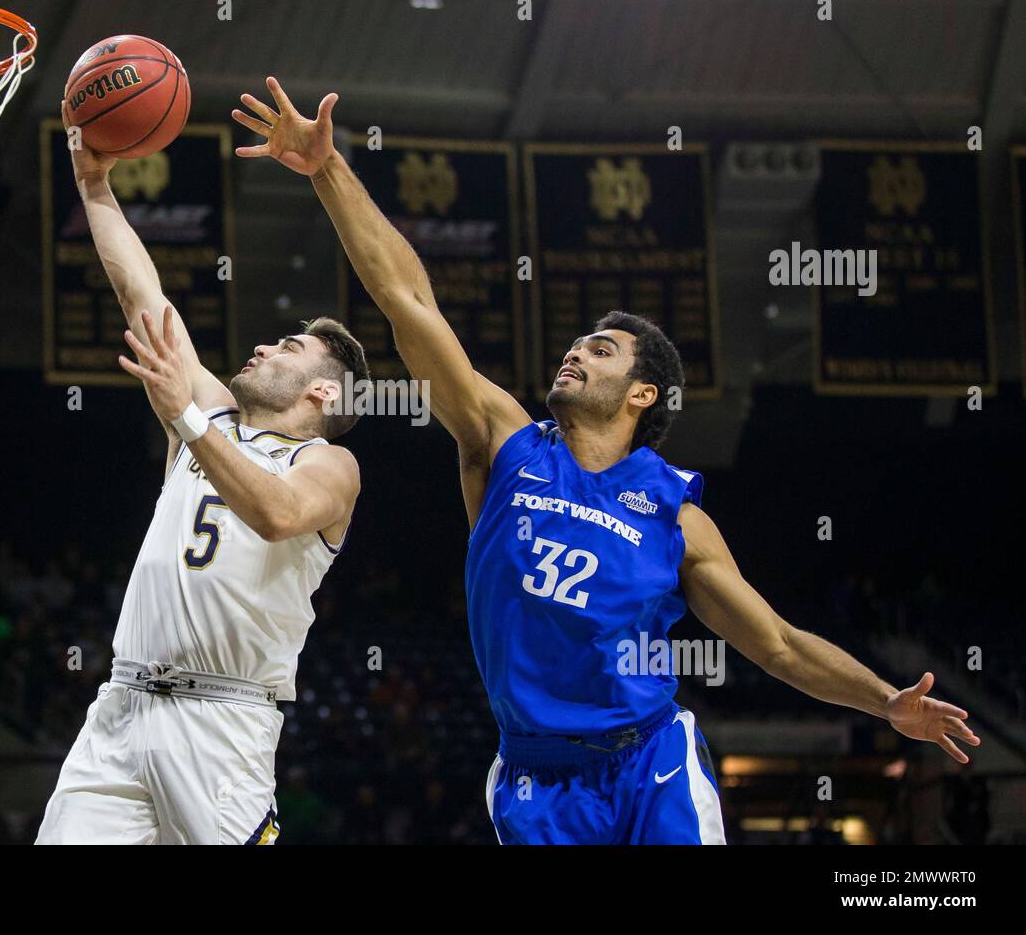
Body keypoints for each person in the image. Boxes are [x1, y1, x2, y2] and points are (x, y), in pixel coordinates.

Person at [232, 76, 981, 844]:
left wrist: (886, 700)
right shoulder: (504, 445)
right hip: (534, 778)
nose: (573, 353)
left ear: (642, 394)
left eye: (601, 350)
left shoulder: (678, 518)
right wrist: (328, 168)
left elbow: (779, 645)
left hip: (650, 764)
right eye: (577, 343)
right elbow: (407, 300)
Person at [36, 102, 368, 845]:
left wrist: (184, 422)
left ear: (325, 391)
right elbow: (143, 298)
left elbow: (279, 514)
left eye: (289, 347)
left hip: (221, 724)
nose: (263, 348)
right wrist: (95, 188)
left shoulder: (328, 464)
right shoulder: (212, 417)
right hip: (119, 710)